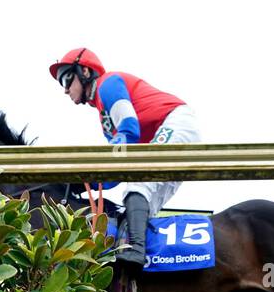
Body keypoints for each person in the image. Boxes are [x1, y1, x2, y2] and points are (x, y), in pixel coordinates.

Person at [49, 48, 200, 275]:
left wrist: (98, 170)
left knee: (138, 186)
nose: (65, 89)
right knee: (141, 200)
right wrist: (85, 183)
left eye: (66, 79)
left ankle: (136, 251)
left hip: (175, 122)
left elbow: (129, 129)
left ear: (84, 71)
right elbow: (120, 170)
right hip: (171, 133)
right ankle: (144, 259)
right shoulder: (104, 117)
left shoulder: (108, 84)